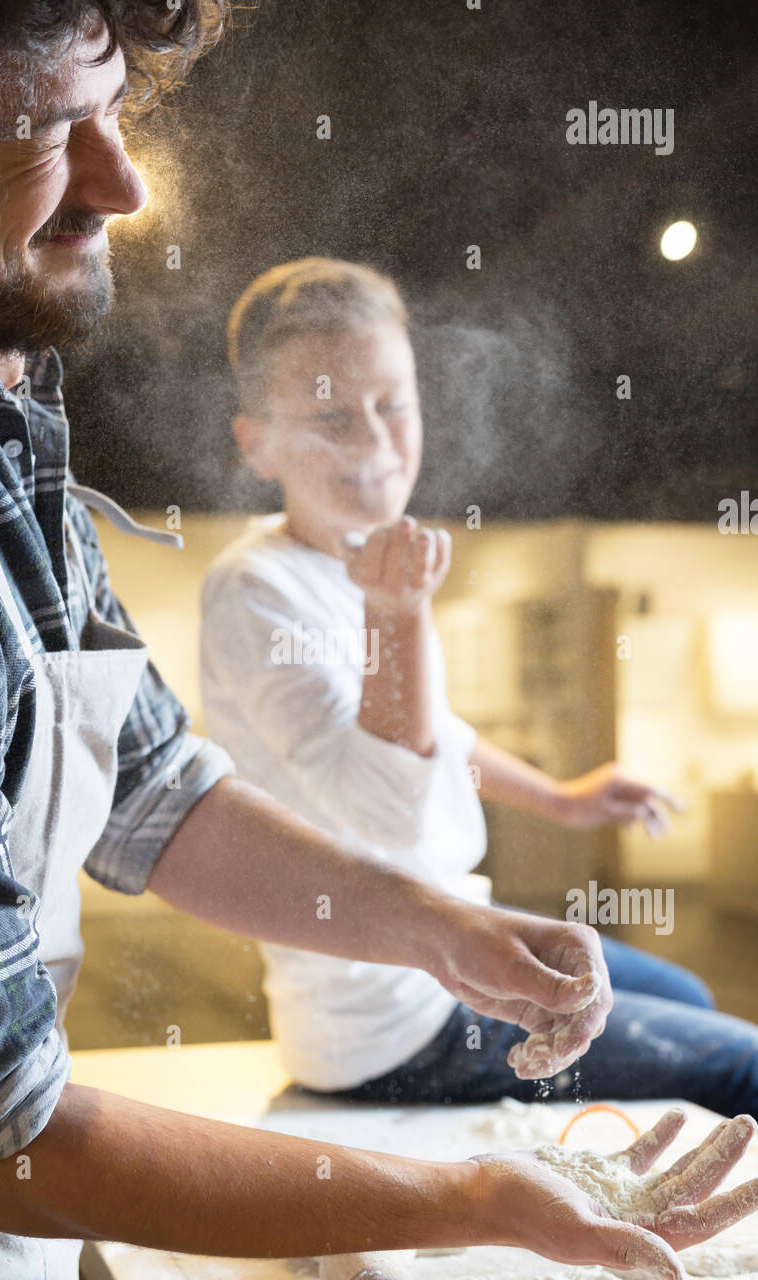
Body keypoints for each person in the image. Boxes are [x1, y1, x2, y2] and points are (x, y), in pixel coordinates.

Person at [0, 3, 754, 1280]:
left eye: (116, 118)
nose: (122, 181)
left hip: (23, 1234)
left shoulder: (3, 441)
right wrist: (468, 1197)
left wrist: (443, 924)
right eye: (51, 126)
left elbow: (152, 792)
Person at [200, 254, 758, 1118]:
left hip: (456, 936)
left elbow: (441, 740)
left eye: (393, 405)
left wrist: (566, 800)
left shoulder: (361, 565)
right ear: (259, 444)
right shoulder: (255, 588)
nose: (377, 444)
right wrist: (395, 614)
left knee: (685, 994)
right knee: (742, 1069)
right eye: (330, 416)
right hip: (392, 1018)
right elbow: (386, 817)